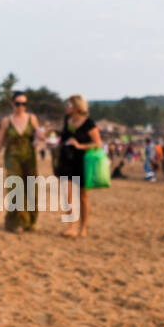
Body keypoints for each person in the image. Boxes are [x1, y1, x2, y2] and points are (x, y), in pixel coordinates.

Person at [0, 92, 42, 233]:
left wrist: (41, 137)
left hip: (29, 158)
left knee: (31, 189)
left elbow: (38, 135)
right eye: (18, 103)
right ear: (12, 104)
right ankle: (16, 222)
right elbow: (0, 142)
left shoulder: (32, 118)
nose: (21, 107)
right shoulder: (6, 121)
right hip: (12, 158)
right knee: (15, 189)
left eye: (24, 104)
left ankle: (30, 221)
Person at [55, 94, 101, 238]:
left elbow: (98, 144)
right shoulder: (67, 120)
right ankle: (72, 226)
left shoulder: (88, 123)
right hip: (66, 160)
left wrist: (80, 145)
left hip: (82, 162)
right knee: (67, 194)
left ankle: (83, 227)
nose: (66, 107)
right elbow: (63, 138)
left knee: (82, 196)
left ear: (76, 107)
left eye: (68, 105)